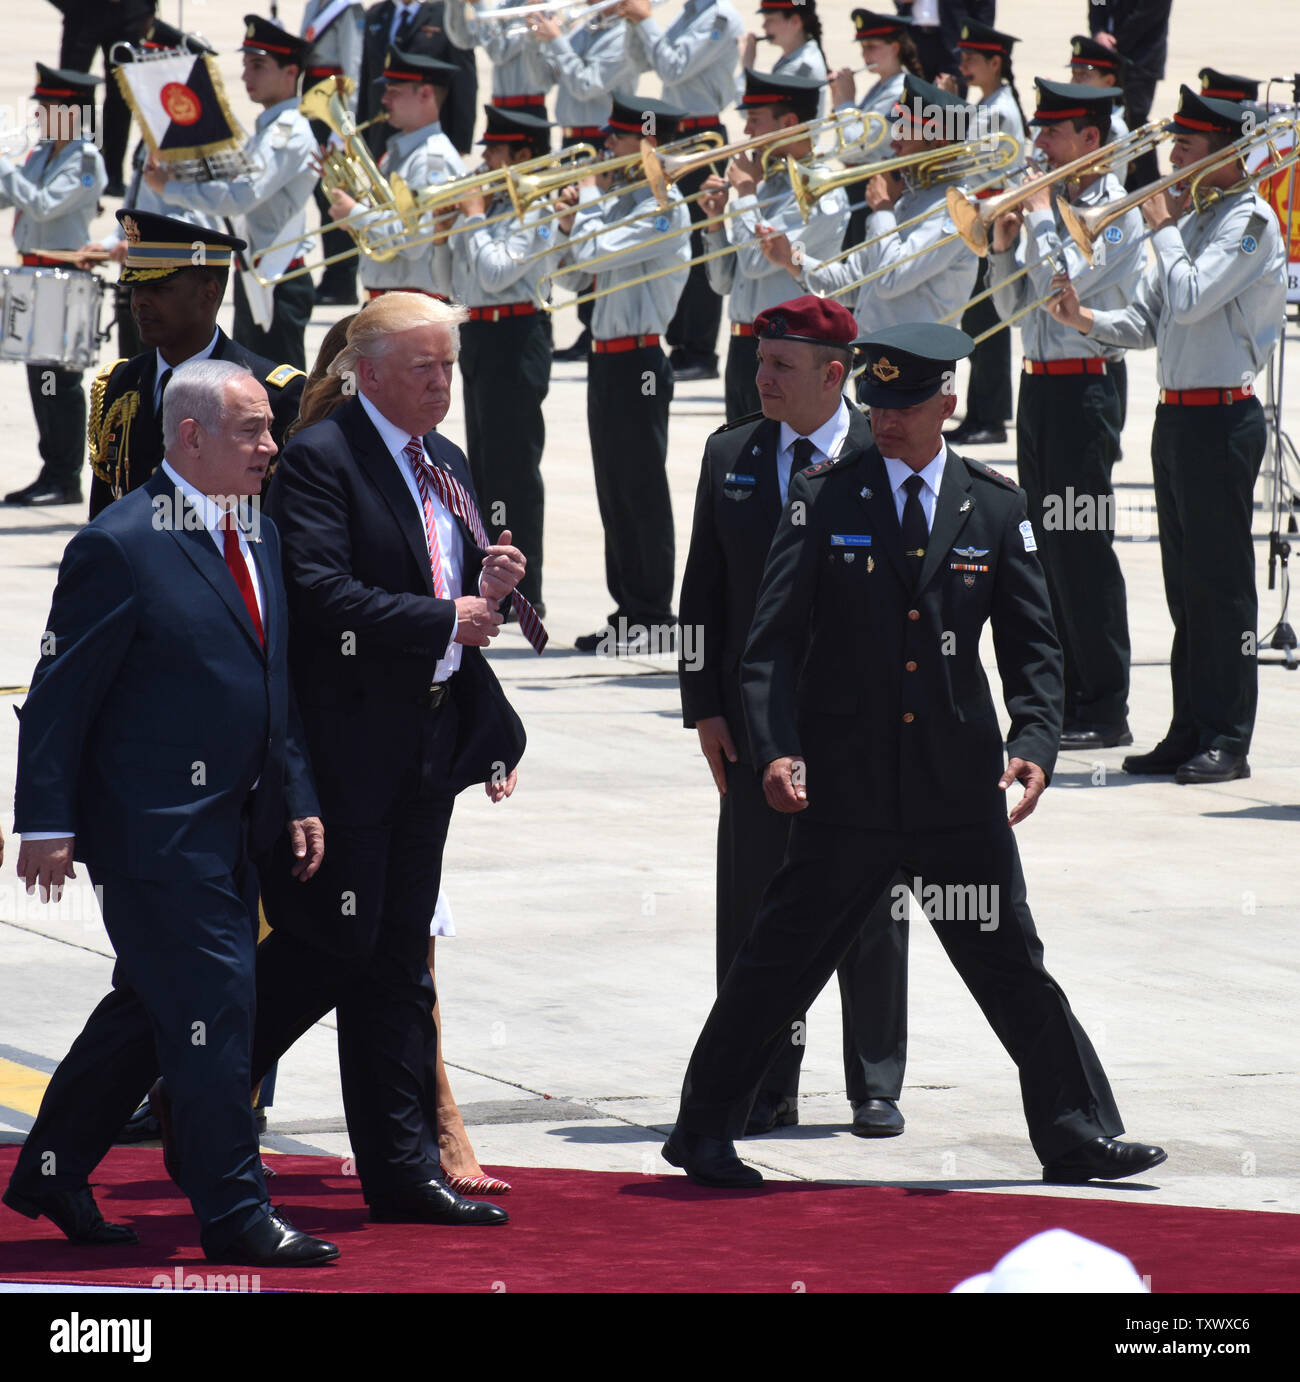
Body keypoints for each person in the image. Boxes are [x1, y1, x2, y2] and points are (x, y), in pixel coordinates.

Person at [661, 321, 1167, 1190]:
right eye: (877, 400)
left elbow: (1034, 650)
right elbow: (770, 642)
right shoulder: (824, 498)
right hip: (845, 791)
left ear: (948, 403)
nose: (884, 418)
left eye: (903, 404)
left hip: (951, 795)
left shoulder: (994, 505)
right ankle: (702, 1131)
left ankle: (1077, 1132)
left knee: (1011, 963)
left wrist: (1036, 740)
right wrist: (775, 748)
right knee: (778, 963)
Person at [3, 359, 337, 1267]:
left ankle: (53, 1170)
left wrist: (296, 793)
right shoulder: (119, 544)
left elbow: (272, 685)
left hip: (237, 825)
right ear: (190, 437)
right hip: (153, 834)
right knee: (218, 1008)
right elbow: (61, 693)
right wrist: (45, 823)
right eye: (253, 431)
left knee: (153, 1006)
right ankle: (234, 1211)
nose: (273, 446)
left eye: (271, 428)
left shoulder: (255, 529)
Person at [243, 294, 539, 1228]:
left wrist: (482, 589)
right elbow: (320, 592)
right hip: (346, 750)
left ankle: (402, 1172)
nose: (443, 384)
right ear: (366, 373)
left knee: (399, 964)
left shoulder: (444, 462)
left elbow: (438, 596)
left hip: (427, 744)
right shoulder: (322, 461)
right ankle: (195, 1073)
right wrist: (442, 615)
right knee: (331, 947)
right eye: (424, 368)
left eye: (449, 368)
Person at [679, 295, 909, 1139]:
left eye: (780, 366)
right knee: (757, 909)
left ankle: (875, 1082)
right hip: (753, 724)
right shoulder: (730, 452)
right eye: (759, 360)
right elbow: (701, 590)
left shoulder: (882, 448)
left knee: (873, 909)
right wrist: (704, 705)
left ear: (834, 376)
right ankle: (763, 1078)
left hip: (863, 722)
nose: (760, 378)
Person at [1048, 86, 1287, 785]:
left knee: (1223, 589)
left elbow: (1188, 297)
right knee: (1186, 588)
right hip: (1178, 414)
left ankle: (1229, 736)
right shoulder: (1196, 219)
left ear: (1226, 153)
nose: (1173, 156)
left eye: (1187, 145)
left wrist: (1160, 227)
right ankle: (1189, 727)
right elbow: (1152, 323)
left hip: (1222, 419)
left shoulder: (1251, 224)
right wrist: (1084, 319)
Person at [986, 80, 1145, 752]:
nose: (1038, 146)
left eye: (1051, 134)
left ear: (1088, 140)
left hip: (1086, 389)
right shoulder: (1047, 208)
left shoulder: (1119, 212)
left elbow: (1066, 280)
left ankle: (1104, 703)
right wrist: (1000, 243)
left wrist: (1042, 209)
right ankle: (1064, 696)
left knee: (1080, 545)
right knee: (1043, 547)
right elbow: (1010, 309)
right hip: (1040, 389)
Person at [555, 93, 692, 653]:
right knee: (613, 490)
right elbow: (572, 279)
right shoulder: (615, 202)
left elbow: (594, 259)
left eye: (618, 137)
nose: (606, 146)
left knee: (640, 488)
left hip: (639, 360)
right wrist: (566, 222)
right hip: (608, 357)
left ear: (649, 142)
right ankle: (627, 609)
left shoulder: (663, 204)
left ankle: (653, 613)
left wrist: (584, 202)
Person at [86, 212, 306, 518]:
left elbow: (283, 522)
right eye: (136, 288)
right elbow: (103, 513)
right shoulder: (121, 383)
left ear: (209, 293)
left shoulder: (275, 394)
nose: (139, 302)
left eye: (159, 289)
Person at [761, 73, 978, 359]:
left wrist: (883, 211)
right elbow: (851, 282)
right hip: (875, 356)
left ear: (936, 143)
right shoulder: (906, 198)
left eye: (904, 131)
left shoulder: (954, 209)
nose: (894, 143)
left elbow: (891, 280)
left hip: (915, 365)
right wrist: (792, 258)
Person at [145, 16, 317, 371]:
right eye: (245, 65)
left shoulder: (289, 133)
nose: (246, 76)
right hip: (258, 276)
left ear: (290, 73)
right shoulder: (266, 131)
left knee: (281, 397)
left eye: (258, 66)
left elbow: (241, 197)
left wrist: (172, 189)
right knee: (251, 388)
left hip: (278, 280)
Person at [450, 105, 556, 614]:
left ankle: (522, 589)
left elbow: (495, 273)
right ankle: (491, 582)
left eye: (494, 150)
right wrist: (454, 224)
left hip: (517, 334)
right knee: (485, 469)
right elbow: (457, 278)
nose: (485, 159)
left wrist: (471, 219)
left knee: (514, 468)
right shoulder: (490, 206)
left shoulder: (537, 208)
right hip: (480, 335)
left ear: (522, 154)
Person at [701, 69, 848, 421]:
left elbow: (756, 262)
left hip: (788, 353)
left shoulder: (821, 194)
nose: (747, 132)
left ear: (791, 121)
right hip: (742, 346)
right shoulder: (765, 182)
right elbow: (725, 282)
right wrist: (715, 222)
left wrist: (746, 196)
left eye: (755, 120)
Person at [82, 19, 224, 361]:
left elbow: (195, 221)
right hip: (142, 279)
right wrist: (106, 245)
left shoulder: (188, 139)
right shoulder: (153, 134)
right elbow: (137, 211)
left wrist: (133, 246)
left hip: (172, 289)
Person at [619, 0, 745, 382]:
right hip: (673, 137)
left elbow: (674, 66)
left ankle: (701, 350)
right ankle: (678, 341)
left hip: (701, 136)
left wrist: (645, 21)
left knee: (701, 242)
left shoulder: (721, 18)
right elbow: (643, 63)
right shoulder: (687, 14)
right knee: (676, 241)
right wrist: (631, 23)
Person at [0, 64, 107, 507]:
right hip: (34, 274)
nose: (40, 112)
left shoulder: (85, 161)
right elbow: (13, 195)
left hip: (64, 278)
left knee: (59, 382)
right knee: (38, 377)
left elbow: (43, 206)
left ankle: (66, 475)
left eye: (48, 105)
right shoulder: (43, 153)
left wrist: (4, 166)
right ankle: (51, 468)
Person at [530, 0, 647, 360]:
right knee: (567, 221)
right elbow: (546, 78)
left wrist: (557, 40)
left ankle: (594, 320)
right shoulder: (586, 28)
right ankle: (585, 323)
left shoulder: (623, 37)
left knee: (596, 227)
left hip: (604, 142)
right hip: (573, 139)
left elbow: (586, 85)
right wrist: (544, 38)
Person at [327, 47, 466, 300]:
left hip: (411, 303)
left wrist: (356, 213)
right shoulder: (399, 151)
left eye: (394, 91)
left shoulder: (431, 159)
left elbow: (414, 239)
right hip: (391, 300)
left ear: (424, 93)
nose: (384, 99)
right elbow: (388, 216)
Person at [944, 18, 1024, 448]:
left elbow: (970, 167)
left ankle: (988, 416)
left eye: (972, 59)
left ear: (996, 62)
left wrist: (949, 108)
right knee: (978, 321)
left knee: (985, 322)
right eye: (963, 57)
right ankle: (982, 412)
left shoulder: (999, 111)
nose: (964, 65)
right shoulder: (988, 104)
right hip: (978, 218)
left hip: (989, 220)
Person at [829, 9, 924, 251]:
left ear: (894, 48)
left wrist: (845, 103)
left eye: (871, 46)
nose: (864, 54)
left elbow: (852, 145)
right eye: (862, 47)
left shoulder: (898, 93)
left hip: (872, 188)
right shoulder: (881, 86)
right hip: (859, 184)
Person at [301, 0, 367, 309]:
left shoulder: (347, 7)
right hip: (312, 92)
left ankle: (342, 278)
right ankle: (334, 273)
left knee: (335, 193)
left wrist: (342, 128)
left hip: (333, 100)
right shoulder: (316, 4)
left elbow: (353, 65)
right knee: (320, 192)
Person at [51, 0, 155, 195]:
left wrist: (148, 7)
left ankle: (112, 174)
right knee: (73, 90)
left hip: (129, 12)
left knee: (121, 98)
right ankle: (70, 166)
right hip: (84, 10)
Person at [360, 3, 479, 159]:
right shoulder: (376, 15)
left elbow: (464, 84)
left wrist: (460, 145)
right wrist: (362, 139)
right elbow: (366, 80)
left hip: (428, 139)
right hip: (381, 135)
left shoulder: (447, 14)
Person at [1086, 0, 1172, 189]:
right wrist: (1098, 31)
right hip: (1107, 56)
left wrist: (1114, 45)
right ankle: (1127, 185)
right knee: (1111, 119)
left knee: (1136, 123)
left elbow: (1148, 13)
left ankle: (1150, 189)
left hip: (1140, 60)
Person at [444, 0, 554, 115]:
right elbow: (464, 40)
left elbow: (499, 52)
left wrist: (478, 4)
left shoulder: (541, 9)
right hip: (499, 106)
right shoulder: (503, 6)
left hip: (528, 109)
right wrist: (455, 4)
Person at [736, 0, 828, 113]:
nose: (764, 26)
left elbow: (755, 114)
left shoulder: (799, 67)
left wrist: (747, 66)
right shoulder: (794, 58)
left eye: (770, 20)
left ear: (795, 22)